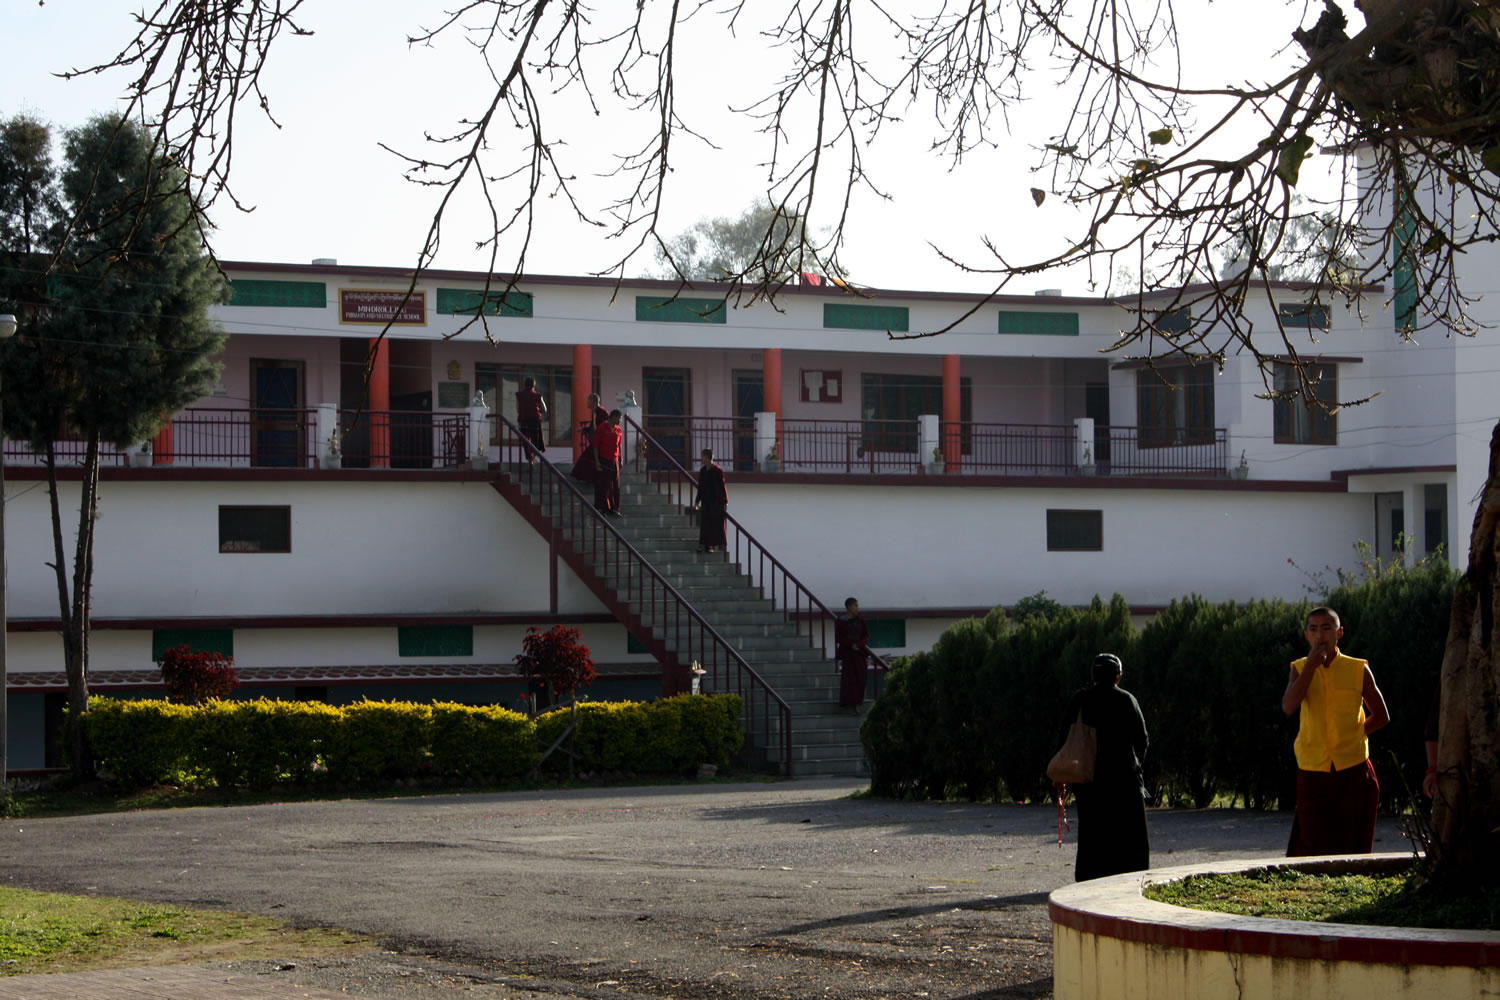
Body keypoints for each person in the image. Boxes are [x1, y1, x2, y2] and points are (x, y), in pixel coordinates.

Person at [1281, 606, 1390, 857]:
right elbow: (1288, 706)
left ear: (1339, 633)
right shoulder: (1299, 668)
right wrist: (1311, 666)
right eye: (1314, 630)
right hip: (1313, 766)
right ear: (1307, 636)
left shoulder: (1357, 668)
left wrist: (1355, 736)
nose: (1321, 636)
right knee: (1311, 842)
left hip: (1352, 765)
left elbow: (1382, 716)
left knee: (1353, 841)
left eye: (1327, 628)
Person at [1060, 653, 1150, 882]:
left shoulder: (1080, 700)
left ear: (1092, 675)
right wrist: (1134, 764)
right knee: (1129, 836)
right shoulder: (1127, 700)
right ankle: (1130, 879)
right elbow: (1142, 740)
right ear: (1118, 677)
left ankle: (1090, 879)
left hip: (1089, 780)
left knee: (1093, 835)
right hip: (1124, 780)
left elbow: (1065, 739)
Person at [835, 597, 871, 709]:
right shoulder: (841, 621)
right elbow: (839, 637)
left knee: (861, 677)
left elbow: (866, 635)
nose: (857, 608)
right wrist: (851, 645)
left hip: (859, 652)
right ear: (849, 607)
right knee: (850, 679)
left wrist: (859, 645)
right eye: (855, 605)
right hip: (848, 653)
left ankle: (858, 702)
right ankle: (850, 702)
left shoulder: (860, 620)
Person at [693, 448, 729, 552]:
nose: (701, 459)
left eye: (702, 456)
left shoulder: (718, 470)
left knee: (715, 523)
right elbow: (701, 487)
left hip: (716, 502)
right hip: (706, 501)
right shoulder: (703, 471)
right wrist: (697, 501)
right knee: (705, 523)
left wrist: (725, 501)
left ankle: (715, 545)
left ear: (707, 457)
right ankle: (705, 545)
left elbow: (722, 486)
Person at [592, 409, 622, 516]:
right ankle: (602, 508)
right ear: (613, 417)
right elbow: (595, 446)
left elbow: (619, 445)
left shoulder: (618, 429)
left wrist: (620, 459)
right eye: (619, 418)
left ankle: (615, 508)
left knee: (616, 485)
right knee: (604, 485)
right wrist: (597, 462)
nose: (620, 420)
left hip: (615, 460)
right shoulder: (602, 428)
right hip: (604, 459)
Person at [515, 376, 547, 463]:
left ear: (524, 385)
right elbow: (544, 409)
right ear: (534, 385)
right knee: (535, 441)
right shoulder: (538, 396)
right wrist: (538, 411)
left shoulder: (519, 395)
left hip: (524, 420)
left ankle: (530, 460)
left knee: (526, 441)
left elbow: (518, 409)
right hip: (535, 421)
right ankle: (532, 458)